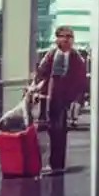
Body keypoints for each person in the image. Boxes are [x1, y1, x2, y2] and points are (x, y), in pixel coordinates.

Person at [34, 25, 88, 175]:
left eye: (69, 37)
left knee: (60, 131)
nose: (66, 40)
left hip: (66, 99)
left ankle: (57, 164)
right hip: (51, 97)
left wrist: (77, 101)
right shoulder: (50, 55)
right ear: (57, 38)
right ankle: (54, 163)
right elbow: (41, 73)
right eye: (63, 36)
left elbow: (81, 82)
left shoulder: (77, 58)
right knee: (52, 131)